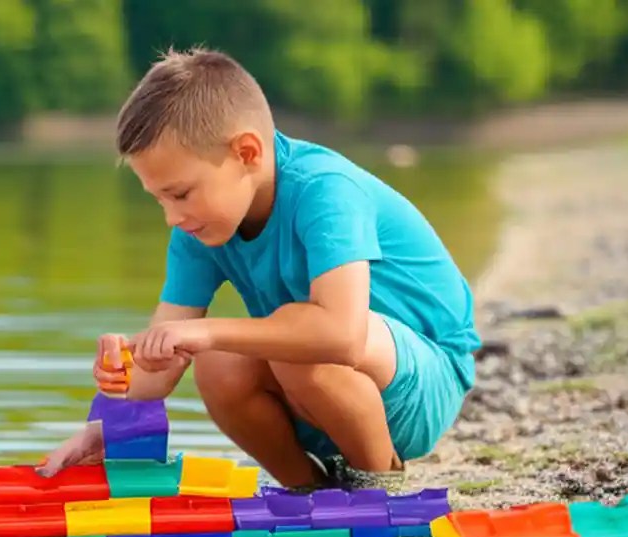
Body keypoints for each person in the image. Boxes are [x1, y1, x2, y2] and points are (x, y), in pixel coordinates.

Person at [37, 47, 481, 490]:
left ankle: (381, 486)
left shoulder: (325, 190)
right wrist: (110, 413)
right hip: (319, 390)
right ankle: (308, 490)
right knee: (217, 364)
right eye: (159, 199)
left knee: (288, 338)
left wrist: (205, 333)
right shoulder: (200, 228)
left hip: (421, 388)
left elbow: (343, 337)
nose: (171, 217)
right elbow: (162, 362)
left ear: (247, 152)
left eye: (181, 194)